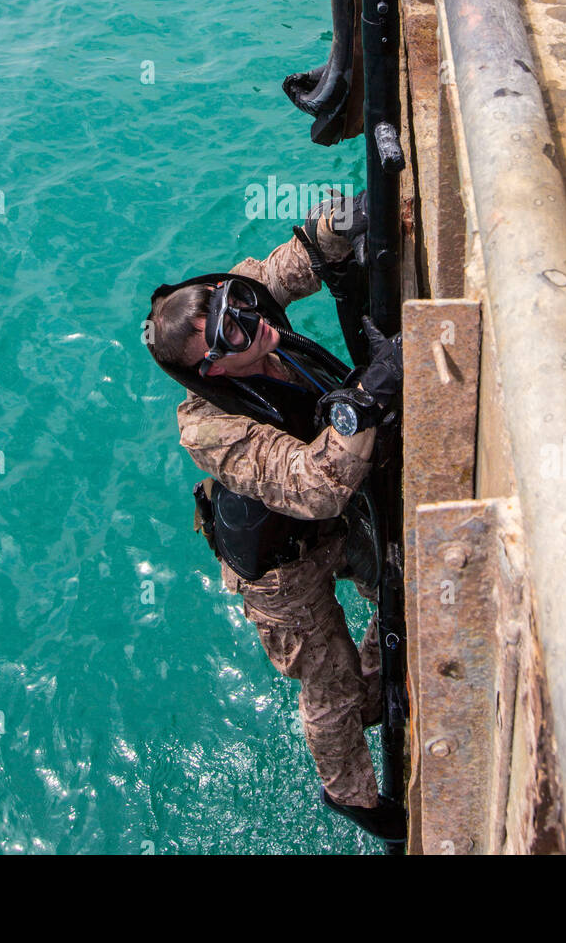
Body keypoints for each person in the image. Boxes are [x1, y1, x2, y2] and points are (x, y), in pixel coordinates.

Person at [146, 192, 405, 841]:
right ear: (211, 371)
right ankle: (349, 792)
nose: (253, 327)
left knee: (392, 583)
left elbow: (289, 267)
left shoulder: (241, 315)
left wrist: (334, 228)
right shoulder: (211, 429)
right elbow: (315, 485)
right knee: (331, 682)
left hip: (329, 522)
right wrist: (368, 399)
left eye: (239, 307)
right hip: (278, 573)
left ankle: (381, 679)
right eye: (233, 335)